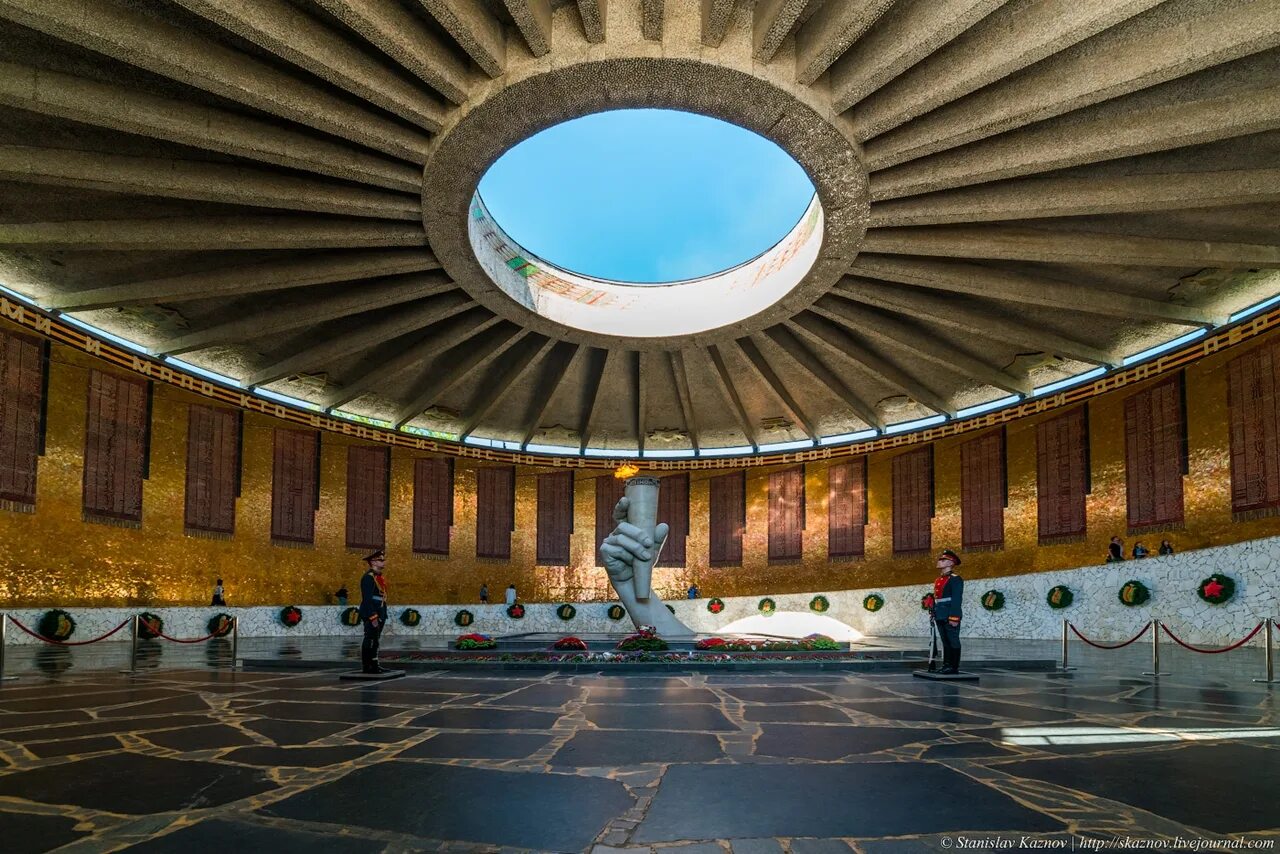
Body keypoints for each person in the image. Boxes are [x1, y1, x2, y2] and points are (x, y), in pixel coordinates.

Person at [931, 549, 964, 674]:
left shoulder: (955, 579)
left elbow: (956, 599)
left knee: (953, 640)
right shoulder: (939, 579)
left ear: (951, 563)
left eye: (943, 560)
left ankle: (953, 666)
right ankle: (946, 665)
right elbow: (939, 598)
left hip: (950, 614)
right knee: (945, 641)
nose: (939, 561)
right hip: (940, 614)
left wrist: (954, 617)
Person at [358, 550, 389, 674]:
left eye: (383, 559)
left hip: (379, 611)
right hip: (372, 612)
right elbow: (367, 598)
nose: (383, 562)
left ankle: (375, 664)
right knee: (370, 639)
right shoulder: (368, 578)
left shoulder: (378, 577)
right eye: (380, 560)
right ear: (373, 562)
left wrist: (381, 613)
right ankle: (367, 666)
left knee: (376, 639)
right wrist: (373, 616)